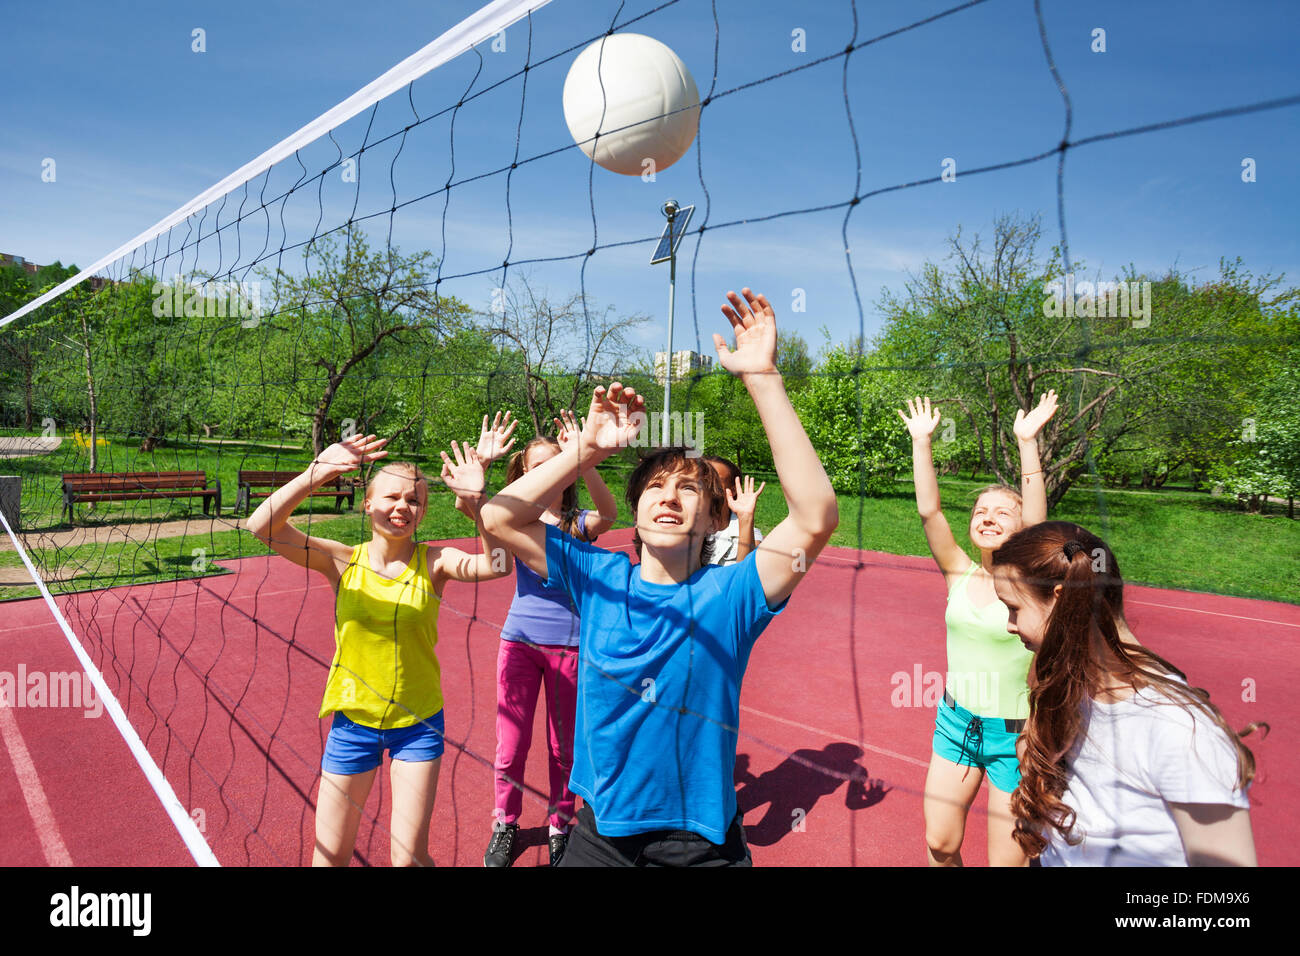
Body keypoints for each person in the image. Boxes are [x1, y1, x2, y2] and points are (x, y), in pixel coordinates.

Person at [482, 287, 838, 866]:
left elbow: (816, 517)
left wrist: (763, 378)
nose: (669, 496)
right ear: (637, 511)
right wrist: (587, 448)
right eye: (655, 486)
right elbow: (499, 517)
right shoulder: (598, 577)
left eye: (688, 488)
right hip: (599, 834)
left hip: (701, 844)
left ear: (716, 517)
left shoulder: (732, 595)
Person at [245, 418, 514, 867]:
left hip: (418, 723)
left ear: (423, 512)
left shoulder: (436, 562)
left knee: (408, 859)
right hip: (353, 723)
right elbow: (261, 527)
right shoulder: (340, 560)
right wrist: (317, 472)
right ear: (367, 503)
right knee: (329, 857)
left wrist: (477, 501)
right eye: (392, 496)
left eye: (414, 500)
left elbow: (500, 564)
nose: (403, 506)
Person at [991, 521, 1261, 866]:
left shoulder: (1180, 730)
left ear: (1060, 599)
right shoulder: (1070, 688)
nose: (1009, 625)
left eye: (1014, 608)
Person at [897, 391, 1058, 867]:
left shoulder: (1032, 581)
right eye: (980, 512)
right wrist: (921, 442)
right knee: (940, 843)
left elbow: (1039, 520)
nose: (987, 517)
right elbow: (930, 512)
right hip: (956, 725)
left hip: (1018, 738)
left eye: (1002, 512)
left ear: (1022, 527)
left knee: (1009, 862)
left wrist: (1026, 442)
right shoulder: (958, 572)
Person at [485, 409, 618, 868]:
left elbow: (609, 514)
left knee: (564, 749)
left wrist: (586, 456)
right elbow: (488, 530)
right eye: (537, 466)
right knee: (510, 746)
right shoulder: (515, 521)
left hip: (571, 647)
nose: (549, 472)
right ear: (523, 474)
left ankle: (561, 823)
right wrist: (478, 475)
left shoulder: (577, 522)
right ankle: (505, 822)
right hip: (519, 643)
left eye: (557, 463)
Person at [703, 455, 766, 566]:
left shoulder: (748, 534)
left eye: (716, 481)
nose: (706, 486)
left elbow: (745, 571)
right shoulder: (683, 526)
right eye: (702, 480)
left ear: (733, 490)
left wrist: (745, 518)